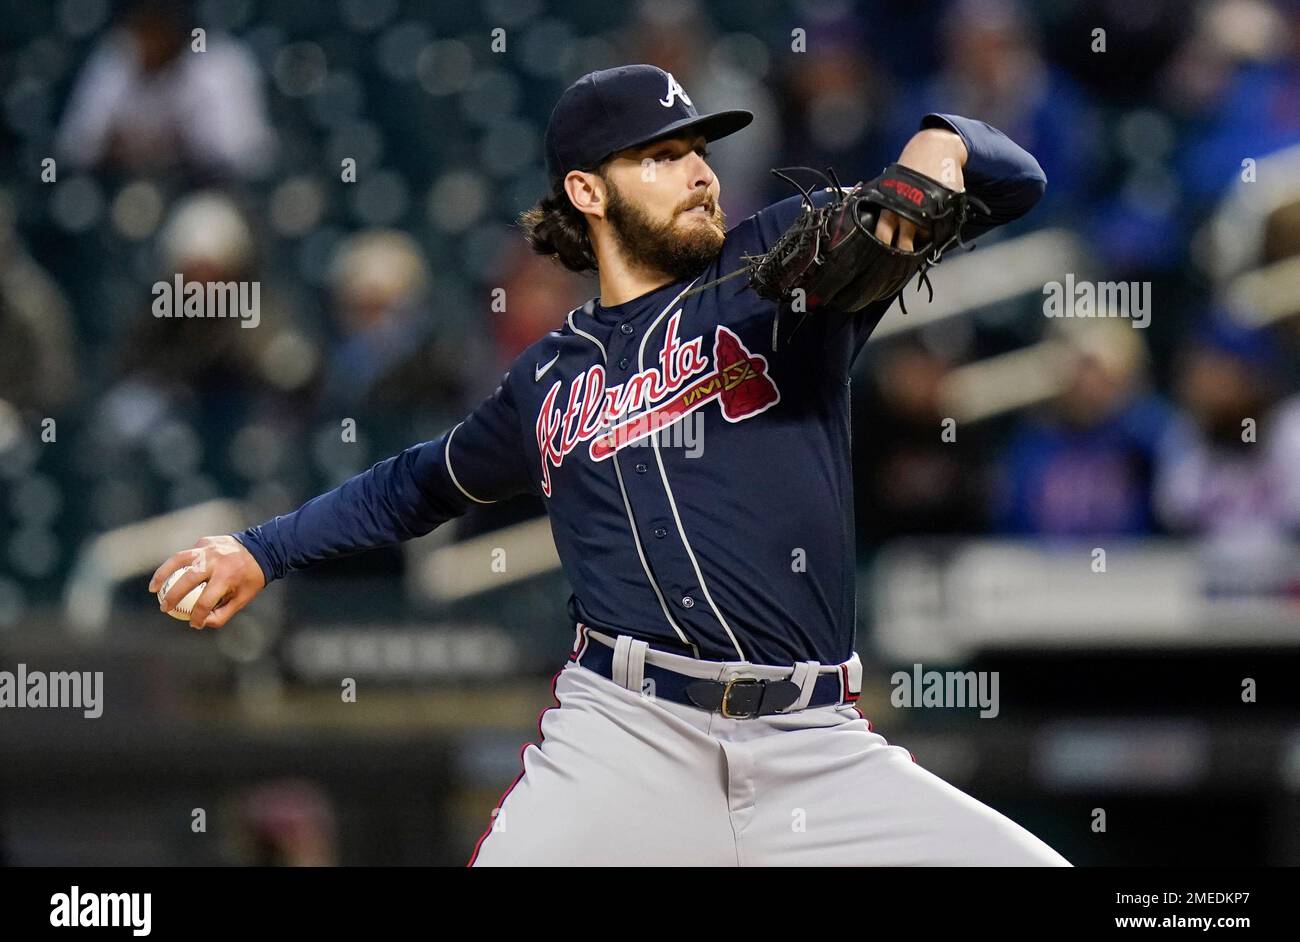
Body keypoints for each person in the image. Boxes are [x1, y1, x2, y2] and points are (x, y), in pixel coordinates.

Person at [151, 64, 1070, 866]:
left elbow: (1018, 181)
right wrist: (260, 550)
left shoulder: (780, 266)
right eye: (663, 156)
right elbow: (416, 484)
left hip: (812, 743)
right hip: (627, 738)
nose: (701, 172)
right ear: (588, 193)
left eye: (701, 151)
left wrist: (944, 140)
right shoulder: (545, 377)